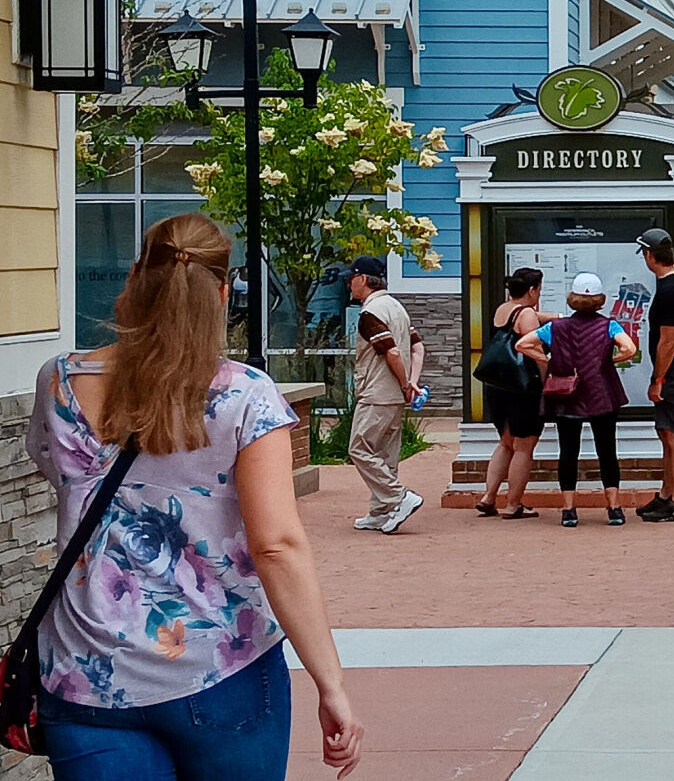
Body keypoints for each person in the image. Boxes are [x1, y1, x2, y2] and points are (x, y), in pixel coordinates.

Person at [26, 213, 363, 780]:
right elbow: (276, 546)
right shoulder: (246, 397)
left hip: (87, 674)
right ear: (223, 294)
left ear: (135, 277)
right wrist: (331, 684)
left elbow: (57, 472)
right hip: (219, 665)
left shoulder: (60, 380)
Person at [516, 273, 639, 527]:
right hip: (602, 395)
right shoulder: (609, 326)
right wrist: (611, 361)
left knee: (568, 452)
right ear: (599, 299)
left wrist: (547, 359)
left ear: (572, 298)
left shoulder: (555, 328)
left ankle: (569, 509)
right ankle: (614, 508)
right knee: (607, 451)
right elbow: (630, 348)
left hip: (566, 395)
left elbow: (523, 344)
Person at [347, 254, 425, 534]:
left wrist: (405, 383)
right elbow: (417, 348)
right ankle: (381, 511)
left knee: (359, 448)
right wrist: (412, 383)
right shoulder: (397, 308)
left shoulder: (371, 312)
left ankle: (398, 497)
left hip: (377, 392)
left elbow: (391, 351)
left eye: (351, 278)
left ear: (363, 279)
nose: (349, 284)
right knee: (385, 454)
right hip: (394, 396)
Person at [475, 267, 557, 519]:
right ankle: (513, 504)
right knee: (524, 446)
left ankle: (489, 497)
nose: (539, 294)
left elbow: (527, 316)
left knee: (506, 442)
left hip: (498, 386)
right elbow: (537, 352)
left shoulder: (503, 309)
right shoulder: (527, 315)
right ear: (532, 290)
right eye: (539, 289)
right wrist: (547, 382)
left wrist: (556, 316)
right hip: (523, 387)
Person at [634, 228, 674, 523]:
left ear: (649, 255)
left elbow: (668, 341)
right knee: (665, 432)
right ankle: (666, 495)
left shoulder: (670, 289)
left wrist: (658, 379)